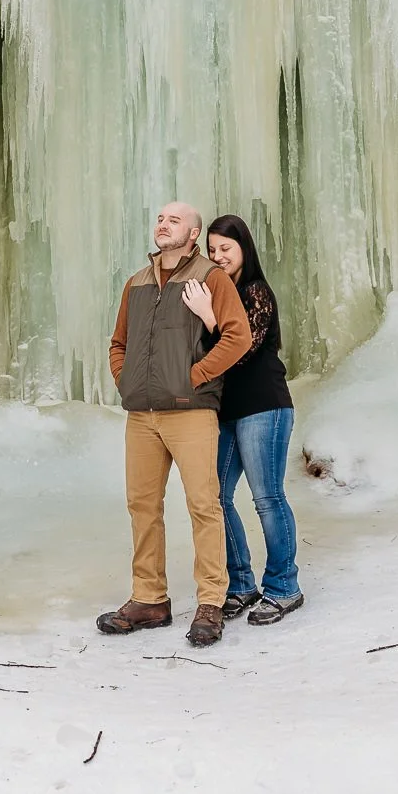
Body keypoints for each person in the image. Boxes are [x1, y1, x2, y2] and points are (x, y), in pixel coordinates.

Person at [98, 201, 251, 647]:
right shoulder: (137, 283)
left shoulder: (211, 277)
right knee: (142, 506)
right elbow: (119, 342)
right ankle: (149, 598)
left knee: (204, 505)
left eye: (174, 220)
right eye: (160, 219)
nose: (164, 225)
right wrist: (125, 379)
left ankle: (211, 602)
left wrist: (195, 376)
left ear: (193, 233)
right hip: (142, 416)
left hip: (191, 413)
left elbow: (237, 336)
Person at [183, 214, 303, 626]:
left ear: (244, 249)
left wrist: (209, 317)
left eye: (226, 249)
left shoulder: (256, 292)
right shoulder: (219, 292)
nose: (218, 257)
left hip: (264, 406)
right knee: (215, 496)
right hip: (228, 412)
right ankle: (241, 584)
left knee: (267, 497)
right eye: (212, 250)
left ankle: (284, 587)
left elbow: (240, 350)